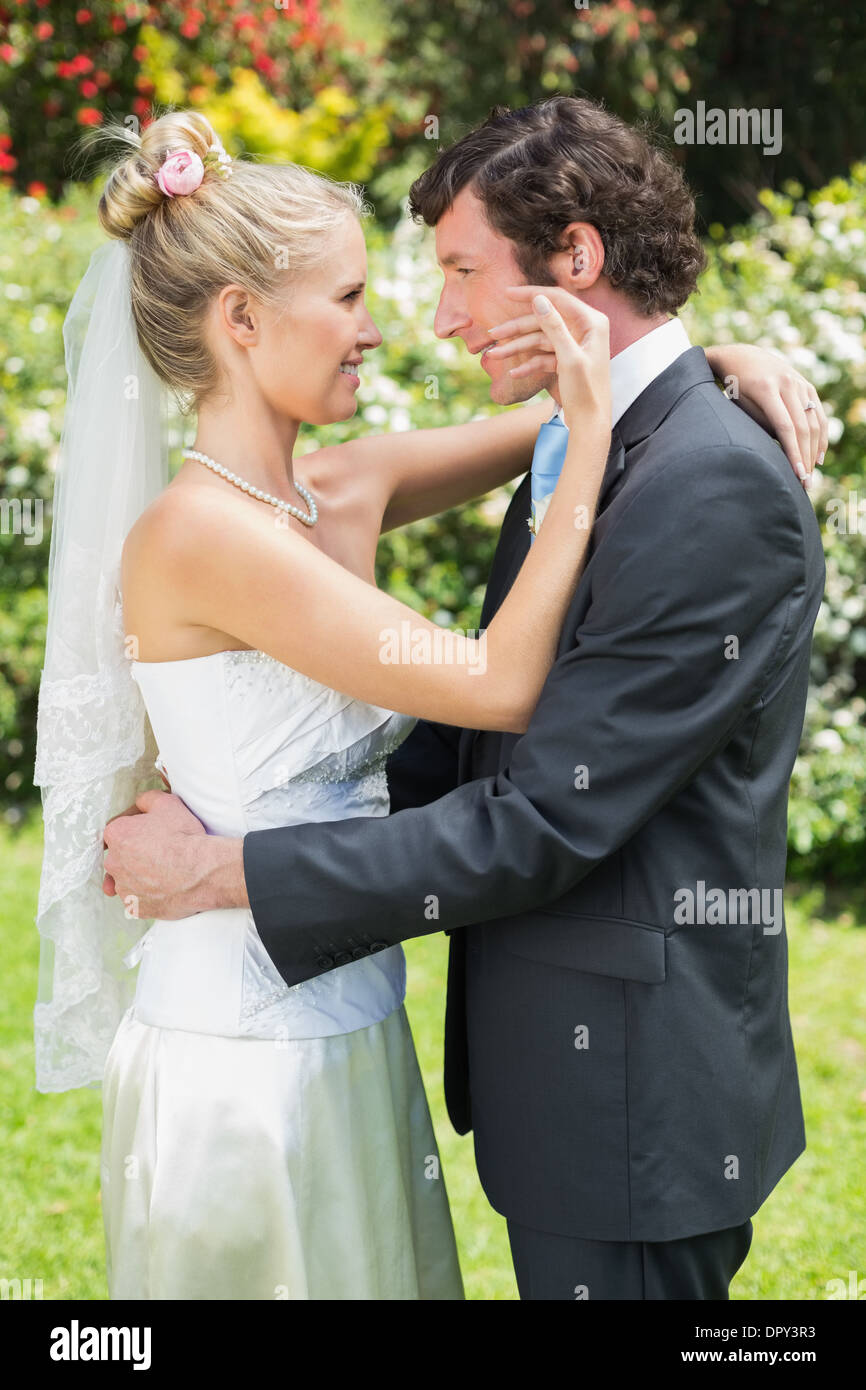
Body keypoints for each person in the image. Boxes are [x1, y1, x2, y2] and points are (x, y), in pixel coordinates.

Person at [100, 97, 827, 1300]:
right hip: (277, 1038)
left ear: (576, 258)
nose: (413, 324)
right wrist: (663, 382)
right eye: (352, 297)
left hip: (628, 1093)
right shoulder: (589, 441)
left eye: (455, 272)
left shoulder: (690, 481)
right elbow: (469, 733)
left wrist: (225, 870)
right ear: (238, 319)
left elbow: (543, 814)